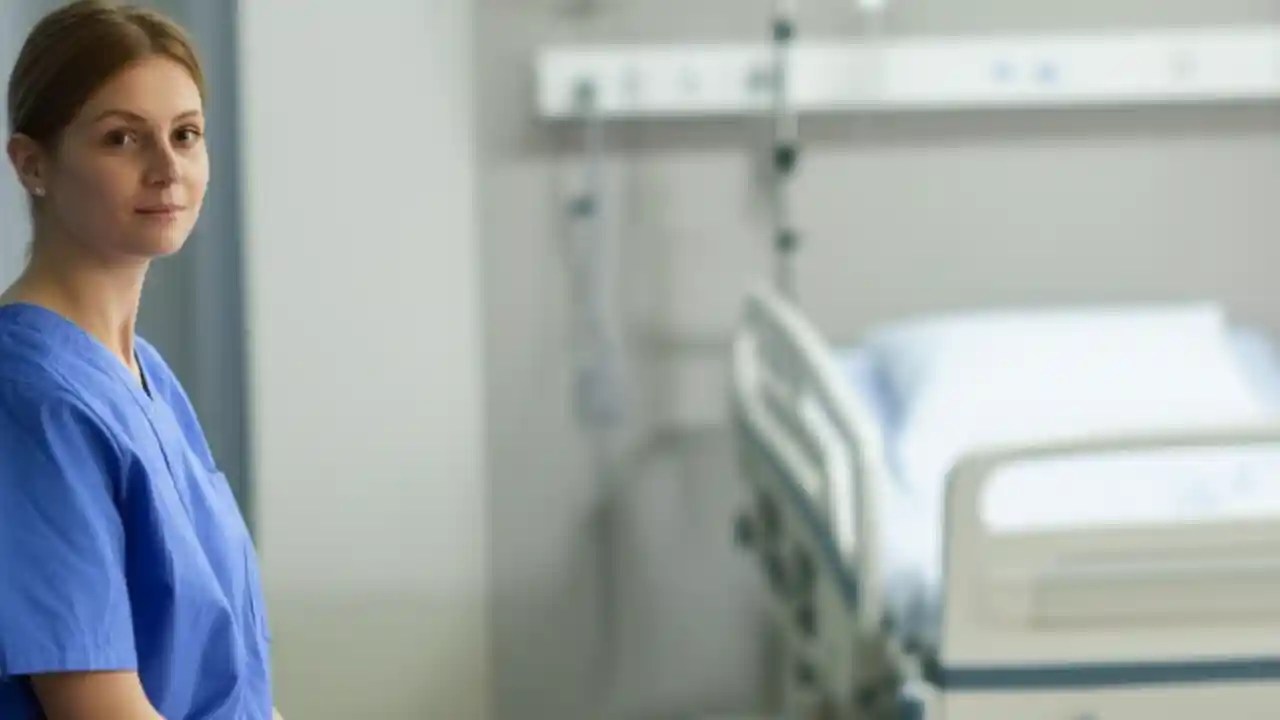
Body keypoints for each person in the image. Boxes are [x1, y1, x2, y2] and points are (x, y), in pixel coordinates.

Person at [0, 2, 278, 718]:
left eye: (186, 135)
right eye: (122, 138)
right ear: (32, 163)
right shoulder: (31, 396)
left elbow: (232, 684)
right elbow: (98, 707)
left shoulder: (144, 375)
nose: (166, 169)